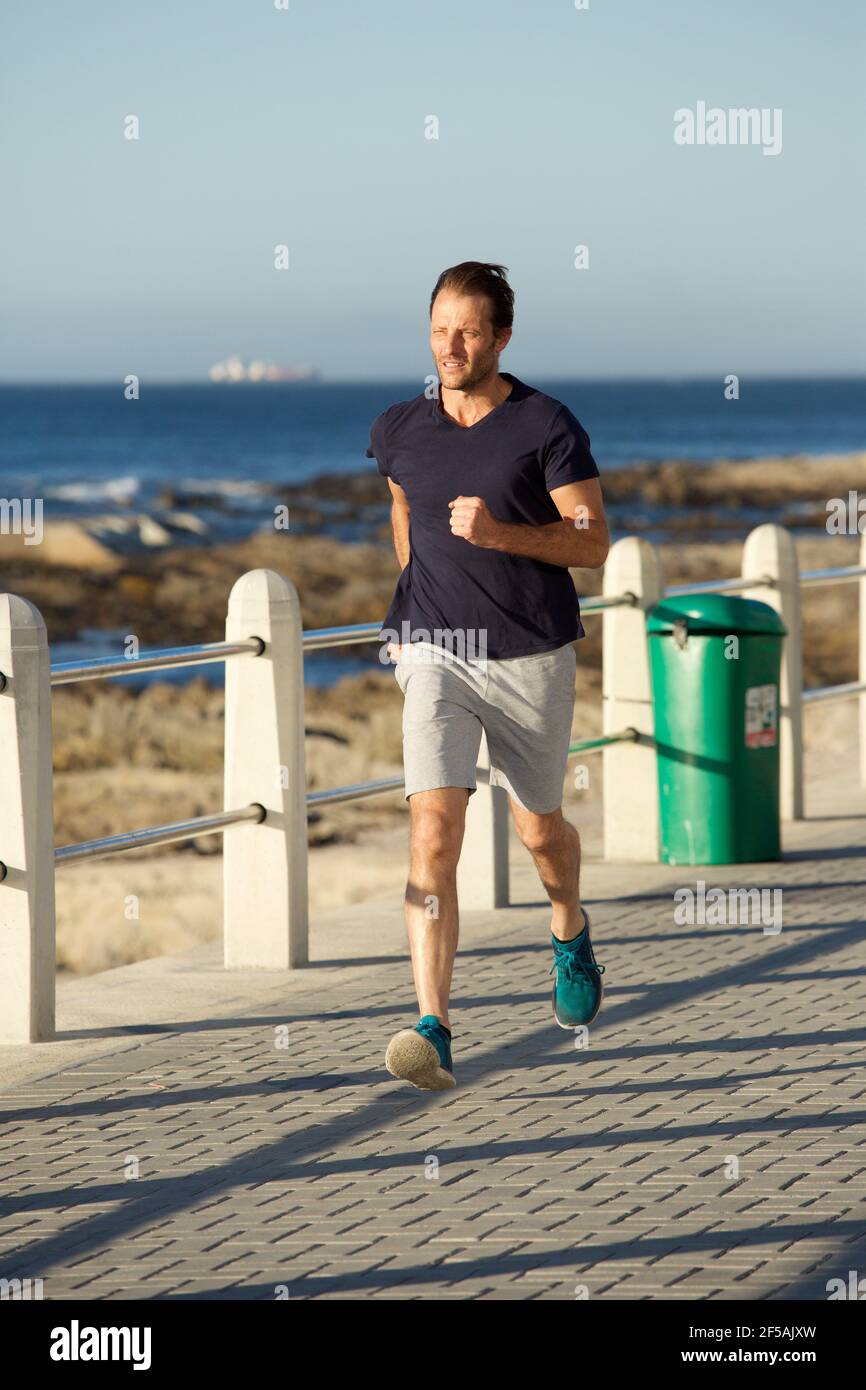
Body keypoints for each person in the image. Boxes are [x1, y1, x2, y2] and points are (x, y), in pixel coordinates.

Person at [365, 261, 610, 1091]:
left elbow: (590, 540)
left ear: (502, 336)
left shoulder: (546, 423)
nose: (450, 346)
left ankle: (569, 930)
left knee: (541, 833)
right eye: (439, 329)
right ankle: (432, 1026)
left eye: (468, 331)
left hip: (530, 655)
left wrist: (503, 535)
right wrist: (412, 602)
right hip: (435, 650)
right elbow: (404, 505)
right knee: (433, 832)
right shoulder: (398, 426)